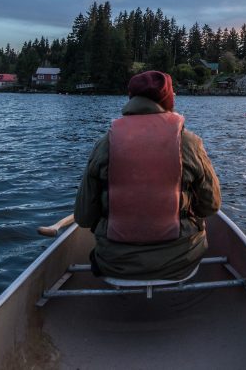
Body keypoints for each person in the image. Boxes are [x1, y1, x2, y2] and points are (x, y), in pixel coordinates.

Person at [74, 70, 221, 281]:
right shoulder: (190, 143)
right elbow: (211, 206)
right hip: (181, 262)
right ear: (169, 101)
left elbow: (83, 217)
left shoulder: (105, 144)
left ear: (131, 98)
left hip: (115, 264)